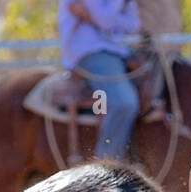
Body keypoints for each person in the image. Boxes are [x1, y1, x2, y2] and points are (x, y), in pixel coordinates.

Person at [59, 0, 143, 161]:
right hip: (90, 51)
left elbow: (134, 25)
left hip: (119, 52)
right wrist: (115, 21)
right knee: (124, 103)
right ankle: (107, 164)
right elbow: (105, 19)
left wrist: (101, 20)